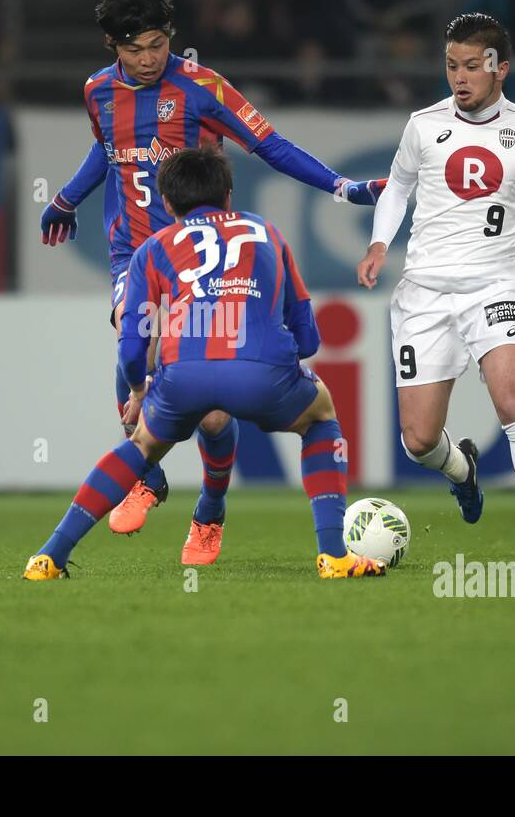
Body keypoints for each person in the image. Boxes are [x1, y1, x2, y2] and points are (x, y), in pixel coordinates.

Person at [25, 145, 385, 581]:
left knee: (141, 445)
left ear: (168, 204)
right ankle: (335, 556)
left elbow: (133, 343)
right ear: (229, 195)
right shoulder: (266, 233)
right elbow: (308, 337)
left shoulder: (153, 248)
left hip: (182, 376)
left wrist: (139, 392)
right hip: (262, 373)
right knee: (321, 415)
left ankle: (49, 557)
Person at [357, 13, 515, 567]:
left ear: (501, 68)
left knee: (512, 401)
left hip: (494, 285)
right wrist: (381, 242)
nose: (460, 77)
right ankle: (463, 470)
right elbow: (397, 187)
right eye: (452, 65)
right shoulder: (423, 125)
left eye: (472, 66)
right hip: (424, 293)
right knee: (419, 439)